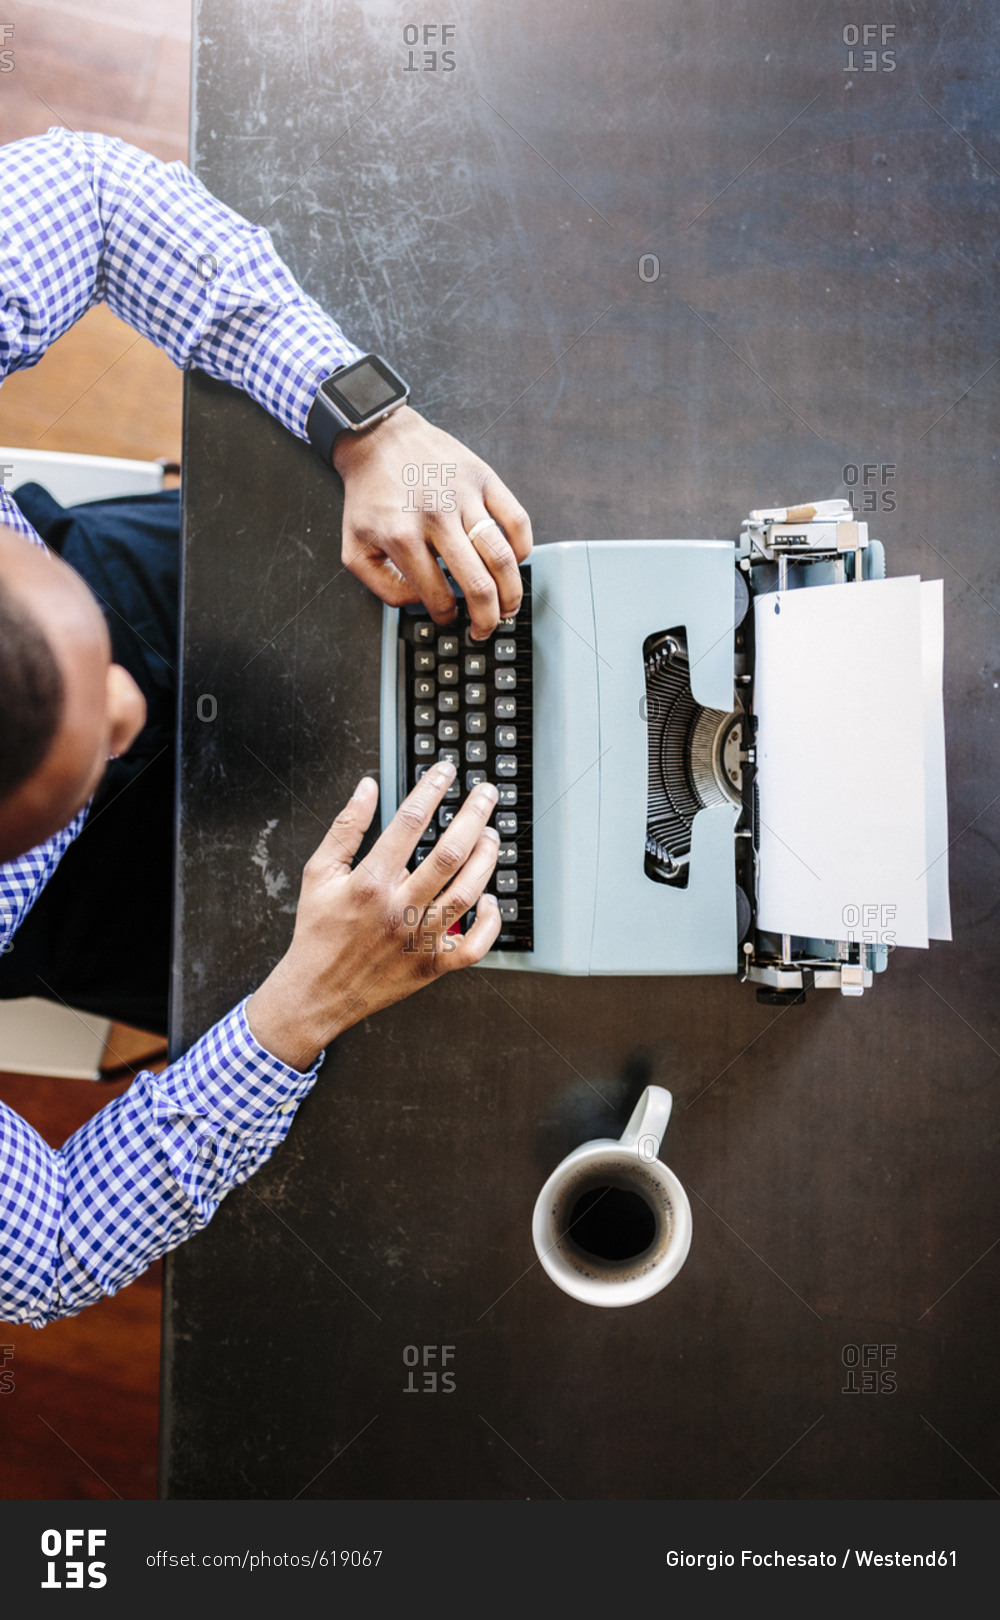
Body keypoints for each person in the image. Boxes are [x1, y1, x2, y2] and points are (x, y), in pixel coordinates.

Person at [0, 127, 532, 1328]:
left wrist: (367, 424)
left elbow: (85, 195)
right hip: (116, 908)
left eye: (100, 692)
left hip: (131, 582)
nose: (124, 712)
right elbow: (54, 1248)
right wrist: (304, 1005)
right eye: (77, 759)